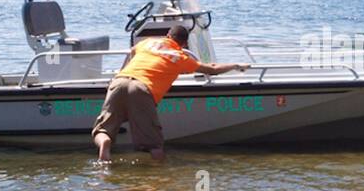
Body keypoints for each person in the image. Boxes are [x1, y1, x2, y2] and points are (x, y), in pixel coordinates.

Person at [93, 24, 249, 162]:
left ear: (168, 35)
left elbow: (132, 52)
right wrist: (235, 65)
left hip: (119, 82)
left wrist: (121, 73)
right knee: (153, 144)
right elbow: (212, 69)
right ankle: (160, 173)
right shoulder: (180, 57)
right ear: (184, 43)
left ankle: (105, 145)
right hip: (141, 88)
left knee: (103, 129)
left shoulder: (147, 42)